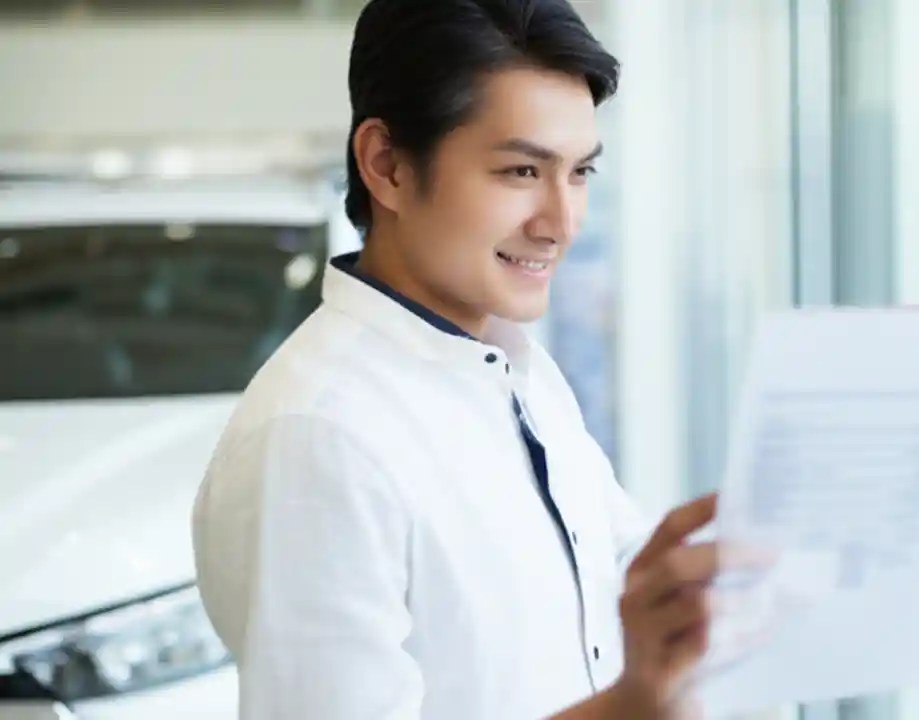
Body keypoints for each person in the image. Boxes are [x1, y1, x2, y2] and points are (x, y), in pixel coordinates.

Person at [191, 0, 728, 718]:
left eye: (580, 175)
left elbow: (613, 594)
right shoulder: (318, 438)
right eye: (519, 172)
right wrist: (629, 708)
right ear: (386, 165)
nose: (562, 224)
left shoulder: (517, 369)